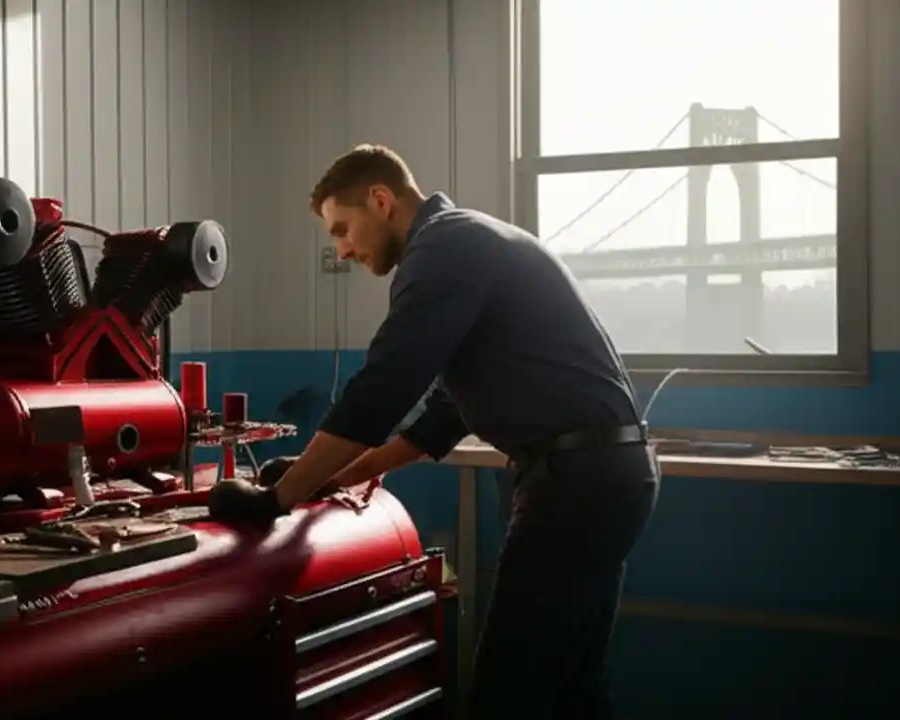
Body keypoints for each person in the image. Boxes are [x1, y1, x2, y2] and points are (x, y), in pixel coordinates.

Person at [206, 144, 660, 717]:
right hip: (607, 473)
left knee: (510, 692)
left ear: (381, 200)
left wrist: (276, 499)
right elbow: (446, 414)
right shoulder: (470, 241)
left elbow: (384, 385)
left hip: (575, 479)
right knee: (569, 688)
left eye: (343, 229)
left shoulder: (445, 246)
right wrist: (338, 475)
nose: (342, 249)